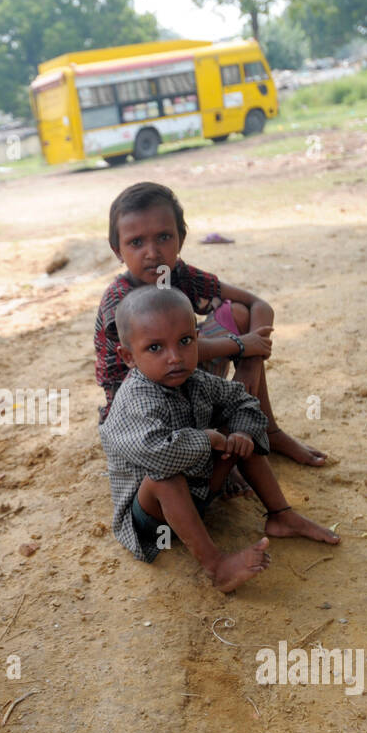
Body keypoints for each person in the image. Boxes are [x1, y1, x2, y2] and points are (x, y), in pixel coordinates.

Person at [99, 285, 339, 592]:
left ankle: (281, 515)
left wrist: (238, 433)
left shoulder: (195, 379)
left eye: (185, 341)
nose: (175, 357)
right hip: (154, 518)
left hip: (199, 492)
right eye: (156, 348)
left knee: (239, 434)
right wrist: (208, 439)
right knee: (164, 477)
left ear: (197, 339)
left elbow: (242, 399)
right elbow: (157, 453)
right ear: (129, 357)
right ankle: (217, 566)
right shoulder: (136, 399)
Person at [94, 181, 327, 479]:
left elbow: (258, 304)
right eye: (136, 243)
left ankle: (267, 427)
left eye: (164, 237)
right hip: (141, 401)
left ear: (181, 238)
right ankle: (219, 457)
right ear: (118, 250)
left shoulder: (180, 274)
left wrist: (250, 363)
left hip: (180, 377)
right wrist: (241, 346)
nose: (152, 252)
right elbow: (159, 354)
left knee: (238, 313)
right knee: (229, 340)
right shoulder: (119, 299)